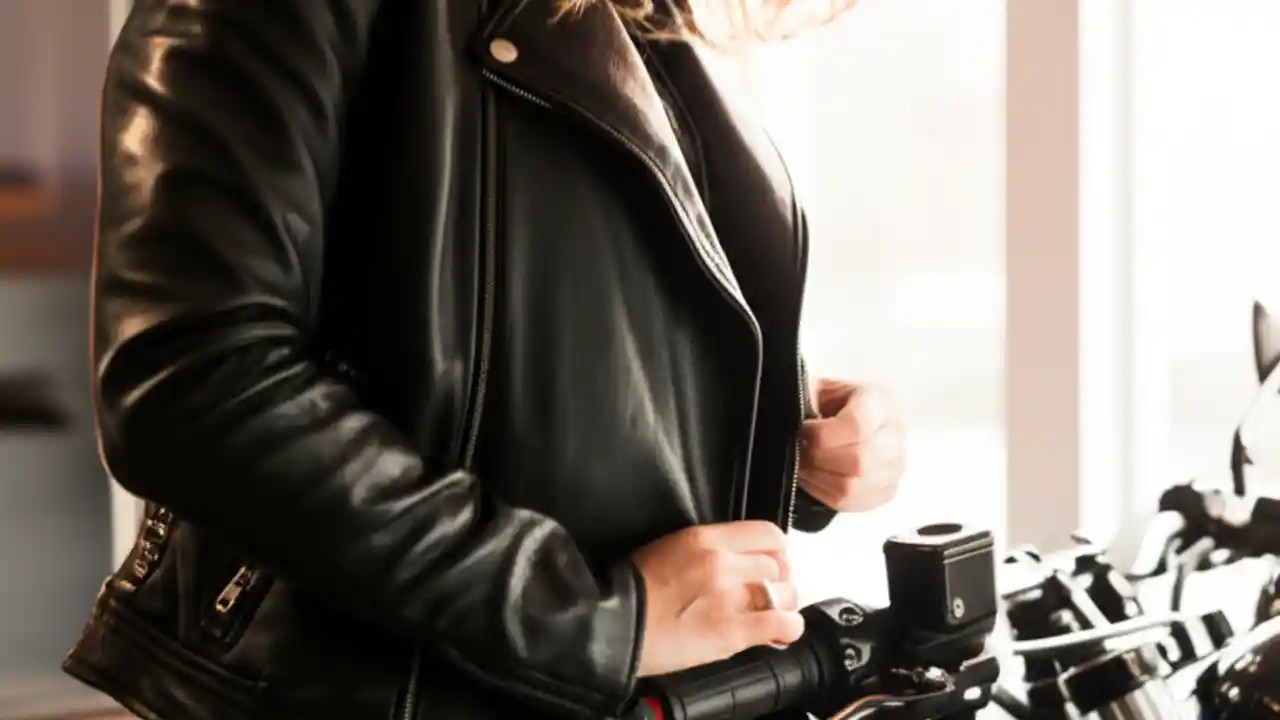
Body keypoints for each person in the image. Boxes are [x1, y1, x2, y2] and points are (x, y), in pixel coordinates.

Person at [64, 0, 906, 718]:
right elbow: (192, 384)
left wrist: (785, 426)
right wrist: (595, 618)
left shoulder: (643, 17)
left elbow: (512, 329)